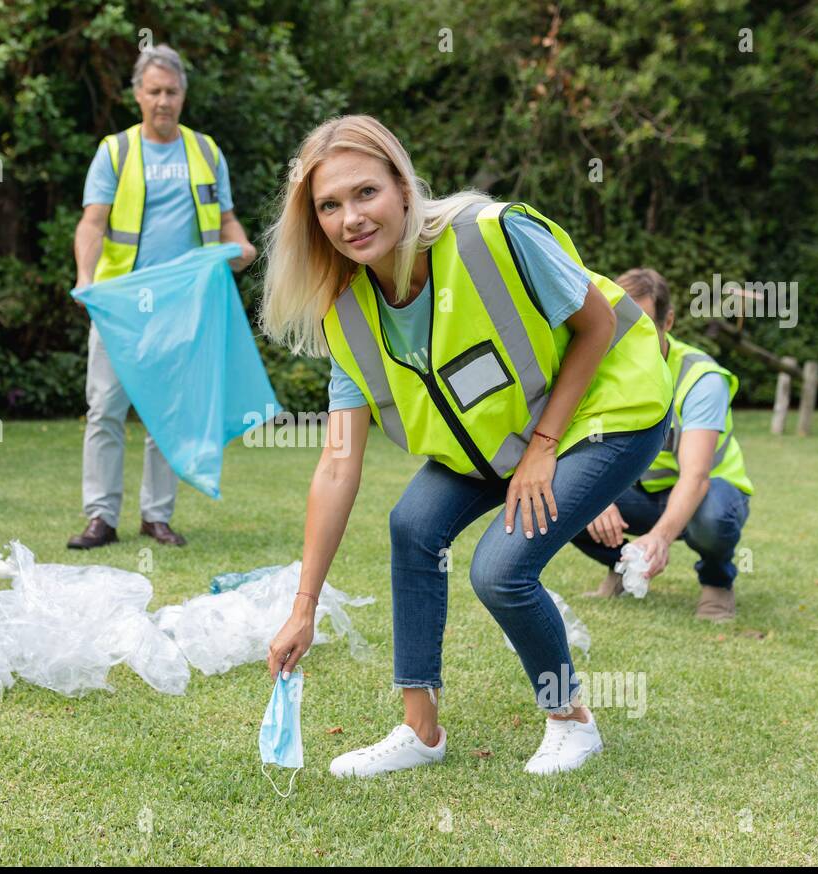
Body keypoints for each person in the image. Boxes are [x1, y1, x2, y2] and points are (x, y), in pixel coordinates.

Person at [258, 115, 673, 779]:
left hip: (611, 407)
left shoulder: (494, 234)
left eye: (365, 193)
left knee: (501, 569)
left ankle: (570, 719)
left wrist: (543, 446)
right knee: (413, 526)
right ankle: (421, 731)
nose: (351, 219)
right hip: (501, 440)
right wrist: (303, 609)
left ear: (402, 186)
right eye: (329, 206)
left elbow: (598, 325)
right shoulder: (348, 312)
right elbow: (338, 462)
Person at [69, 44, 257, 549]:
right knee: (105, 408)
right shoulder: (116, 152)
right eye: (154, 91)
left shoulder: (205, 152)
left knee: (167, 414)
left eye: (172, 91)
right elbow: (92, 222)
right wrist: (86, 277)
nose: (163, 101)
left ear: (183, 95)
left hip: (183, 307)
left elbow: (224, 221)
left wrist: (239, 245)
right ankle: (101, 518)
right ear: (137, 94)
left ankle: (156, 517)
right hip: (121, 305)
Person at [572, 268, 753, 621]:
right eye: (621, 323)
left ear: (667, 321)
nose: (630, 338)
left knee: (713, 517)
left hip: (707, 492)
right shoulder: (599, 365)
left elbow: (696, 476)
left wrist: (660, 538)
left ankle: (717, 583)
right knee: (564, 494)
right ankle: (624, 569)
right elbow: (580, 443)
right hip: (641, 491)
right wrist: (598, 498)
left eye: (643, 325)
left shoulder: (701, 377)